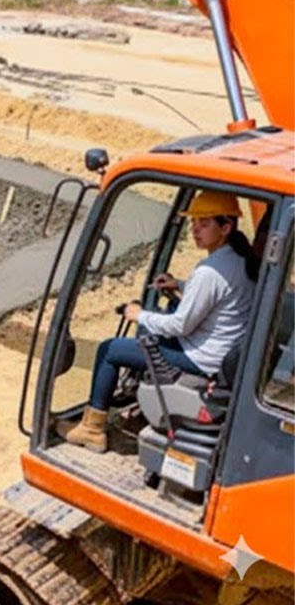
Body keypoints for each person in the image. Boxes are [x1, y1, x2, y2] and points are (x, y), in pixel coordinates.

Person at [62, 191, 258, 452]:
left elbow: (180, 326)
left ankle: (92, 429)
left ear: (226, 227)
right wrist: (179, 285)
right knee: (152, 326)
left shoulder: (209, 271)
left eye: (204, 223)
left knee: (109, 350)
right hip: (221, 351)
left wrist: (138, 314)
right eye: (193, 223)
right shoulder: (239, 260)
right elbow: (219, 296)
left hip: (200, 357)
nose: (196, 230)